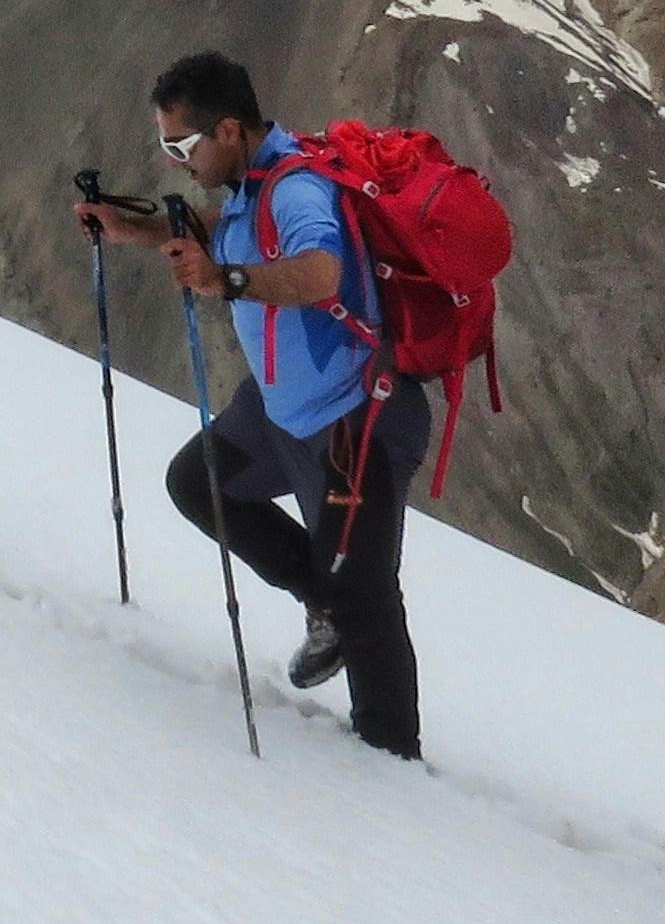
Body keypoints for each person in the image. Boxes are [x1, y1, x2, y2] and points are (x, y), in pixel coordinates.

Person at [79, 51, 428, 759]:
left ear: (230, 128)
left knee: (367, 600)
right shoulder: (252, 179)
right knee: (199, 484)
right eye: (165, 144)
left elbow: (321, 269)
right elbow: (225, 226)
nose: (175, 158)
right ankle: (324, 598)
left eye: (183, 144)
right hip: (282, 412)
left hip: (353, 421)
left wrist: (226, 280)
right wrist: (137, 229)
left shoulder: (295, 188)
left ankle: (392, 761)